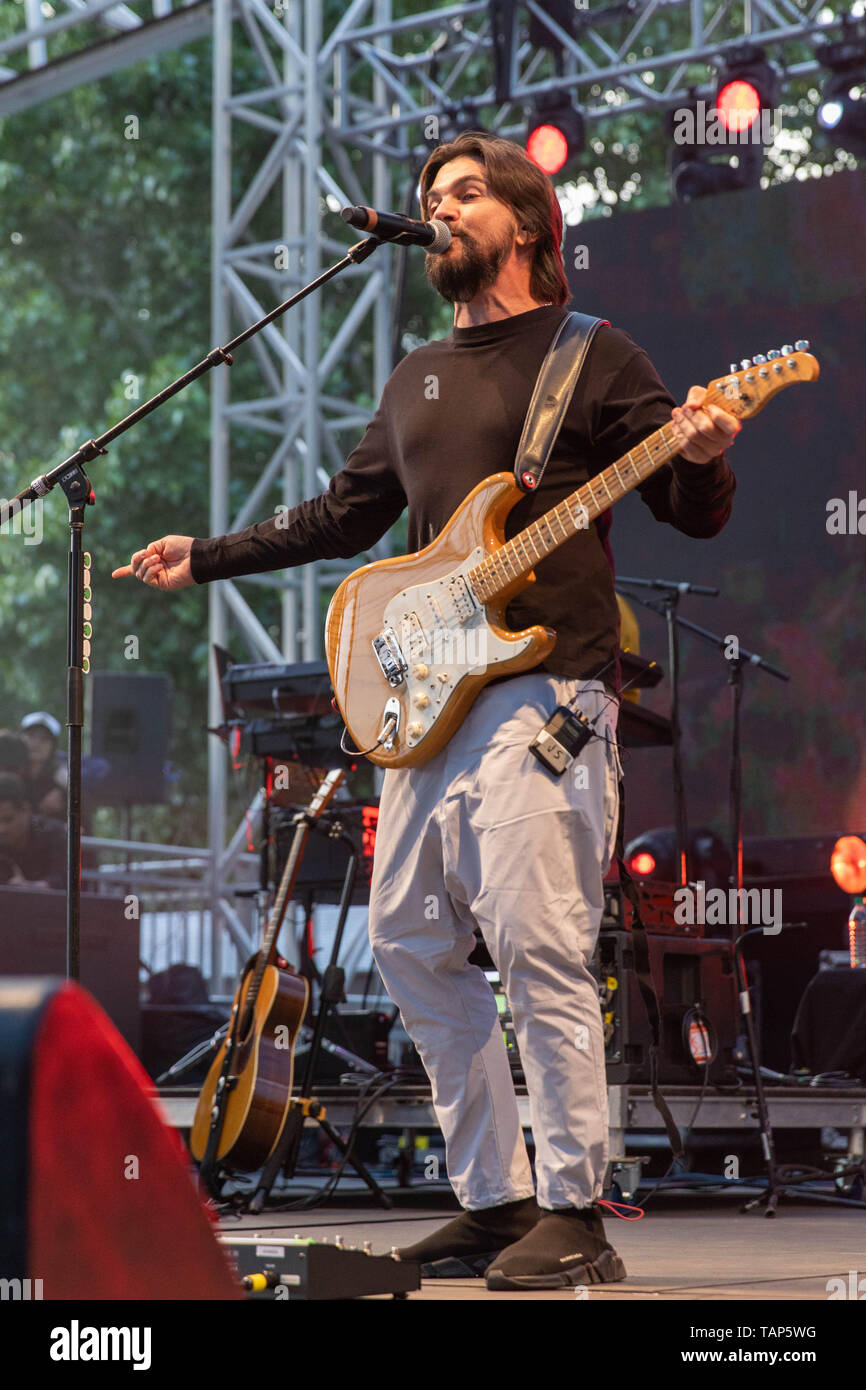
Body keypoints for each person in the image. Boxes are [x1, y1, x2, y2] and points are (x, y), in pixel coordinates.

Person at [113, 131, 739, 1290]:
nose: (438, 211)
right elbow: (342, 519)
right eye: (428, 198)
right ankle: (496, 1200)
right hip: (424, 708)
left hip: (543, 696)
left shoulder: (590, 356)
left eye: (462, 194)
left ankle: (576, 1211)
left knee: (537, 947)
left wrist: (703, 451)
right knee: (407, 945)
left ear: (524, 222)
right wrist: (204, 556)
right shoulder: (413, 375)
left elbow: (691, 510)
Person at [0, 772, 66, 889]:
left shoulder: (53, 833)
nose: (2, 829)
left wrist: (33, 887)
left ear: (26, 810)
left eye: (8, 820)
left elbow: (62, 877)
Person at [19, 711, 67, 819]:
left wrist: (64, 793)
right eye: (31, 736)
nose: (36, 743)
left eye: (44, 738)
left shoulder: (62, 779)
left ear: (53, 746)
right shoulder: (9, 772)